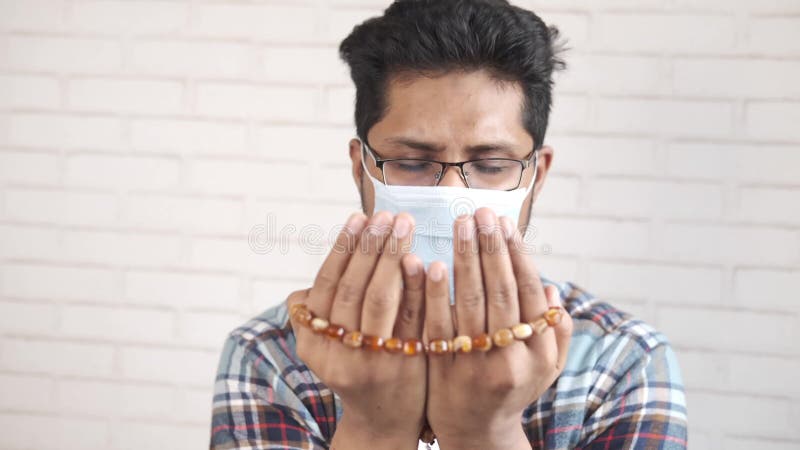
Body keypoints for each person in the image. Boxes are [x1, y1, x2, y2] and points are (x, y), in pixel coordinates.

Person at [209, 1, 688, 448]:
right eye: (411, 162)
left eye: (492, 164)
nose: (451, 198)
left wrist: (487, 431)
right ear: (361, 167)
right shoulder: (271, 357)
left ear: (536, 176)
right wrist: (375, 426)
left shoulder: (620, 361)